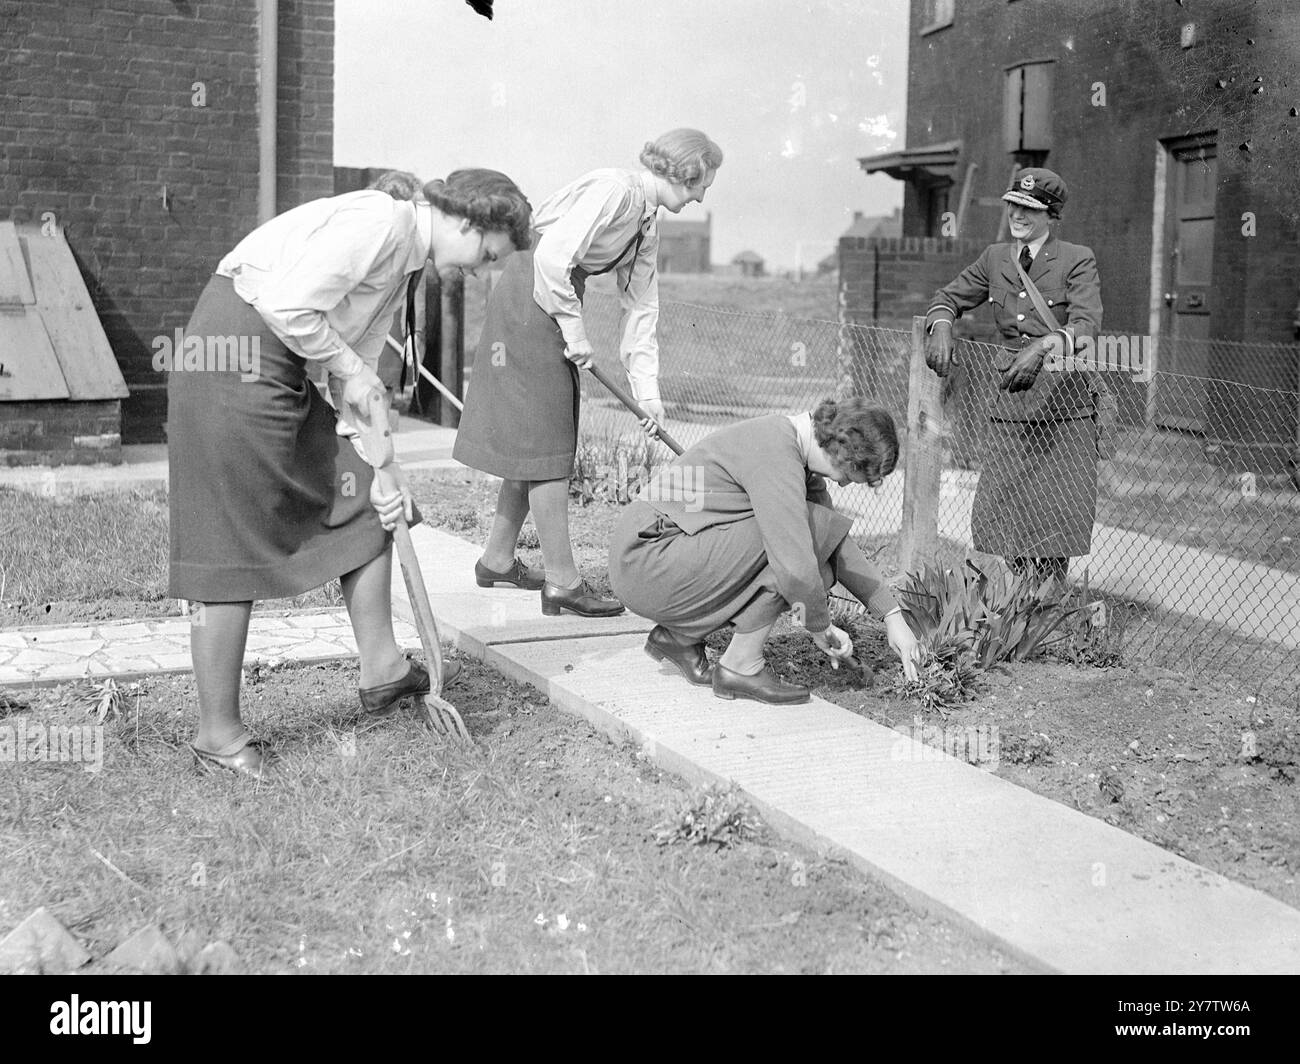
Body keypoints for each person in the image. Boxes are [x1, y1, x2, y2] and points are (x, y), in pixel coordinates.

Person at [169, 170, 532, 778]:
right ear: (471, 221)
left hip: (281, 365)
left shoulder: (404, 262)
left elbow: (354, 374)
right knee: (229, 541)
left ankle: (384, 670)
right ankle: (218, 734)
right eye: (489, 254)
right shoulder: (381, 222)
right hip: (233, 361)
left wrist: (384, 467)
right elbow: (289, 307)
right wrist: (353, 373)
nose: (482, 269)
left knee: (363, 494)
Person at [453, 129, 723, 618]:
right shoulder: (615, 191)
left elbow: (641, 310)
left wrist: (648, 396)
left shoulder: (647, 224)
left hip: (554, 298)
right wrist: (576, 333)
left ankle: (496, 560)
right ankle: (562, 582)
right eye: (703, 182)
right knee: (548, 442)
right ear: (685, 172)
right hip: (532, 291)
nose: (704, 194)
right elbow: (553, 259)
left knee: (536, 439)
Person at [607, 399, 923, 704]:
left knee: (815, 544)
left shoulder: (794, 451)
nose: (842, 486)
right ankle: (741, 666)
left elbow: (833, 540)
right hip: (646, 559)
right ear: (843, 453)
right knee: (798, 549)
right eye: (849, 478)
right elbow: (796, 566)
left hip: (657, 556)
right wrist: (820, 627)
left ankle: (680, 639)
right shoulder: (777, 452)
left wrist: (892, 614)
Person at [924, 167, 1104, 586]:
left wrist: (1042, 348)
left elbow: (1086, 325)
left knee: (1054, 510)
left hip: (1064, 408)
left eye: (1030, 208)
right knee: (1004, 506)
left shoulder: (1076, 258)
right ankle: (1020, 598)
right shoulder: (995, 257)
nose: (1018, 215)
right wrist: (943, 326)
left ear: (1051, 215)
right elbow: (947, 297)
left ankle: (1048, 600)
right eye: (1013, 205)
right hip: (1012, 402)